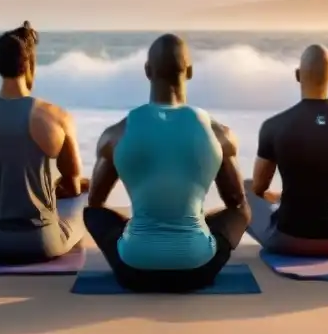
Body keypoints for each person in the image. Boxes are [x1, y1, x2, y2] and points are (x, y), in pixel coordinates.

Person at [83, 33, 251, 293]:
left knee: (92, 214)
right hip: (197, 271)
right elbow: (235, 201)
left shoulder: (115, 135)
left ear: (147, 71)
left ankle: (142, 242)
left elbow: (95, 202)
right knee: (242, 211)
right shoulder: (219, 134)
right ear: (190, 72)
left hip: (133, 272)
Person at [0, 22, 89, 264]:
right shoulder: (57, 117)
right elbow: (73, 184)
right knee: (86, 190)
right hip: (40, 244)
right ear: (29, 64)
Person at [245, 44, 328, 257]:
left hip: (288, 241)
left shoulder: (274, 126)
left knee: (245, 188)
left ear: (298, 75)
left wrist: (285, 198)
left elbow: (259, 188)